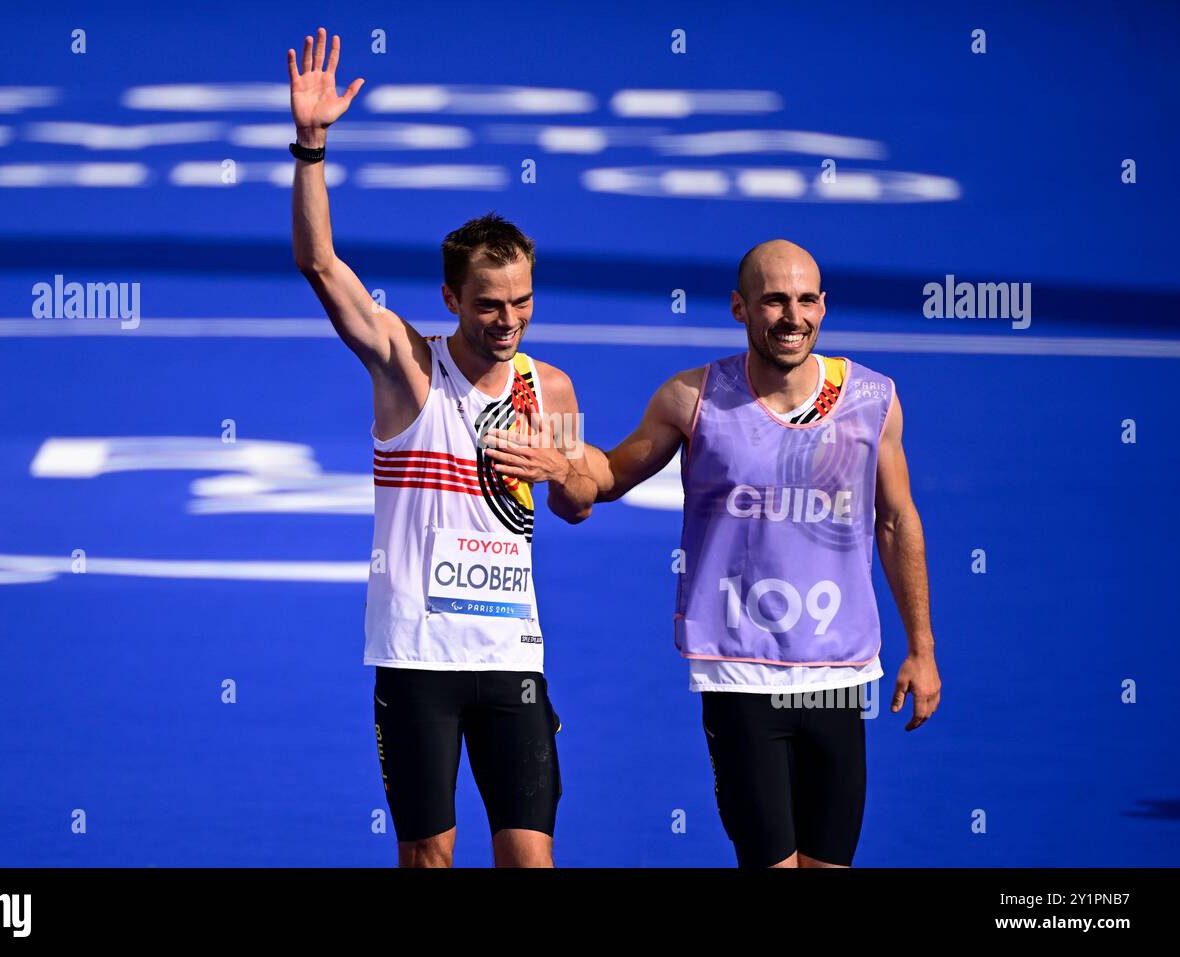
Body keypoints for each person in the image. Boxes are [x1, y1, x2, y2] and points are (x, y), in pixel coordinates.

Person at [287, 28, 596, 867]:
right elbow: (321, 266)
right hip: (416, 660)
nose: (510, 321)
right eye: (491, 305)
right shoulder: (407, 370)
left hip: (511, 658)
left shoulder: (551, 389)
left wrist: (558, 465)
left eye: (523, 302)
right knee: (430, 856)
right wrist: (311, 146)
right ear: (453, 296)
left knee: (530, 857)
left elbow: (574, 504)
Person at [546, 239, 942, 867]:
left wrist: (921, 649)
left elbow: (895, 522)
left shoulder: (874, 400)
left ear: (824, 305)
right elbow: (610, 476)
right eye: (774, 301)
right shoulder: (691, 398)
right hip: (740, 672)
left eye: (807, 300)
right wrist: (561, 444)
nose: (793, 317)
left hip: (838, 674)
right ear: (739, 307)